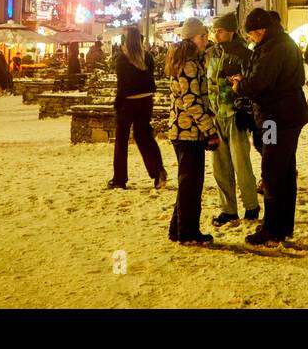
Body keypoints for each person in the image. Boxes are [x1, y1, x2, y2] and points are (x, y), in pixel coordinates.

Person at [232, 7, 308, 245]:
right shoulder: (283, 43)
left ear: (261, 30)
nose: (251, 39)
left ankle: (273, 228)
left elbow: (259, 83)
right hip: (286, 114)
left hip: (274, 118)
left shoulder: (273, 49)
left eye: (252, 35)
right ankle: (284, 225)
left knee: (273, 171)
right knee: (285, 171)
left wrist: (239, 86)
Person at [165, 18, 220, 245]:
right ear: (190, 38)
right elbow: (192, 101)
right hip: (188, 131)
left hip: (185, 130)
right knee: (191, 184)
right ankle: (187, 233)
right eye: (201, 37)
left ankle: (177, 229)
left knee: (188, 182)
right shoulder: (188, 64)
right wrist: (209, 130)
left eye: (206, 36)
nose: (205, 40)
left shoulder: (187, 61)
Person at [206, 13, 259, 226]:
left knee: (241, 164)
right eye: (214, 30)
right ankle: (228, 209)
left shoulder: (244, 55)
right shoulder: (211, 54)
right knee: (220, 167)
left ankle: (251, 206)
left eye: (219, 30)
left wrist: (244, 110)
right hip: (216, 115)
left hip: (236, 116)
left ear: (231, 31)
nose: (216, 34)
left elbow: (249, 85)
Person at [108, 25, 167, 189]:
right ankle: (158, 171)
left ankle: (119, 179)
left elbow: (122, 85)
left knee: (122, 140)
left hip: (128, 102)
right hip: (146, 100)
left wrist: (117, 104)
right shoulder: (147, 56)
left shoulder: (122, 58)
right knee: (144, 136)